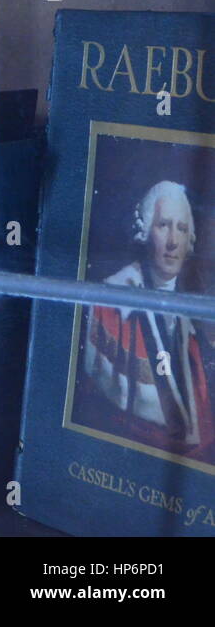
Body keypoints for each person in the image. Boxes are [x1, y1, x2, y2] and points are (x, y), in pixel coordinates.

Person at [79, 181, 215, 460]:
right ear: (144, 231)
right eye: (164, 225)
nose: (173, 242)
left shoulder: (192, 322)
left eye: (181, 228)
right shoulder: (109, 304)